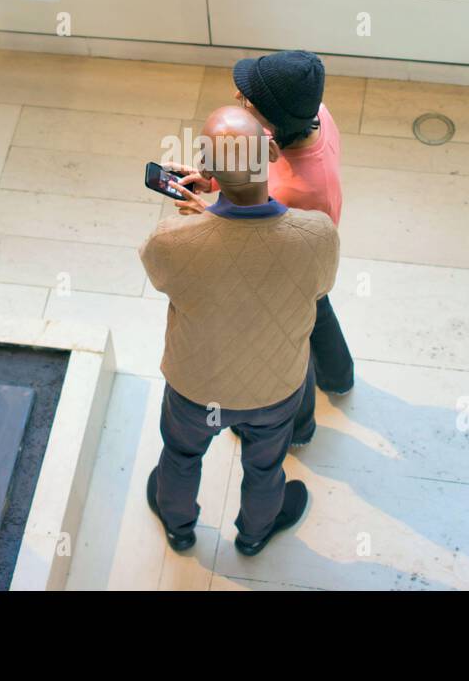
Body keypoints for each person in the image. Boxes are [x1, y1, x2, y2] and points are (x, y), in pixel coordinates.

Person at [140, 106, 340, 556]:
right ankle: (252, 537)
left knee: (180, 456)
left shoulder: (171, 240)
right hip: (275, 391)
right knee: (265, 468)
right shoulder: (317, 235)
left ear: (206, 170)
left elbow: (163, 276)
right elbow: (321, 287)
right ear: (270, 151)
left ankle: (179, 527)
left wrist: (201, 220)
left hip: (196, 391)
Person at [171, 51, 353, 446]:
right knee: (320, 312)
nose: (239, 93)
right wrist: (216, 180)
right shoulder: (316, 113)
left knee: (293, 346)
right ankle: (340, 377)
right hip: (315, 261)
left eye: (249, 100)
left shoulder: (295, 189)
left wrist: (206, 211)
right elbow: (261, 178)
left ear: (272, 125)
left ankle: (299, 429)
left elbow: (255, 237)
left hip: (289, 271)